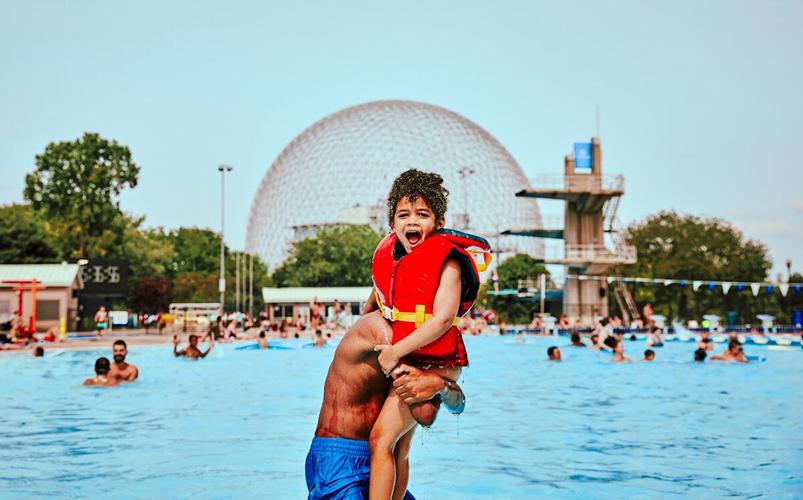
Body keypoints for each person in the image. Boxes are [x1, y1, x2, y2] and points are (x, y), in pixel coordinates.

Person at [368, 169, 489, 500]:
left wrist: (393, 353)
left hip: (437, 361)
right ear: (392, 222)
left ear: (438, 221)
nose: (412, 222)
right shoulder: (391, 258)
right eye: (404, 214)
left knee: (381, 439)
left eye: (423, 214)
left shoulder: (447, 261)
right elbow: (376, 301)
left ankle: (446, 390)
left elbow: (442, 319)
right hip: (413, 356)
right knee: (399, 445)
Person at [306, 310, 465, 500]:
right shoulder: (378, 330)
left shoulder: (426, 347)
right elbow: (425, 414)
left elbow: (458, 405)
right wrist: (437, 379)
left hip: (386, 468)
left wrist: (441, 386)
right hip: (340, 459)